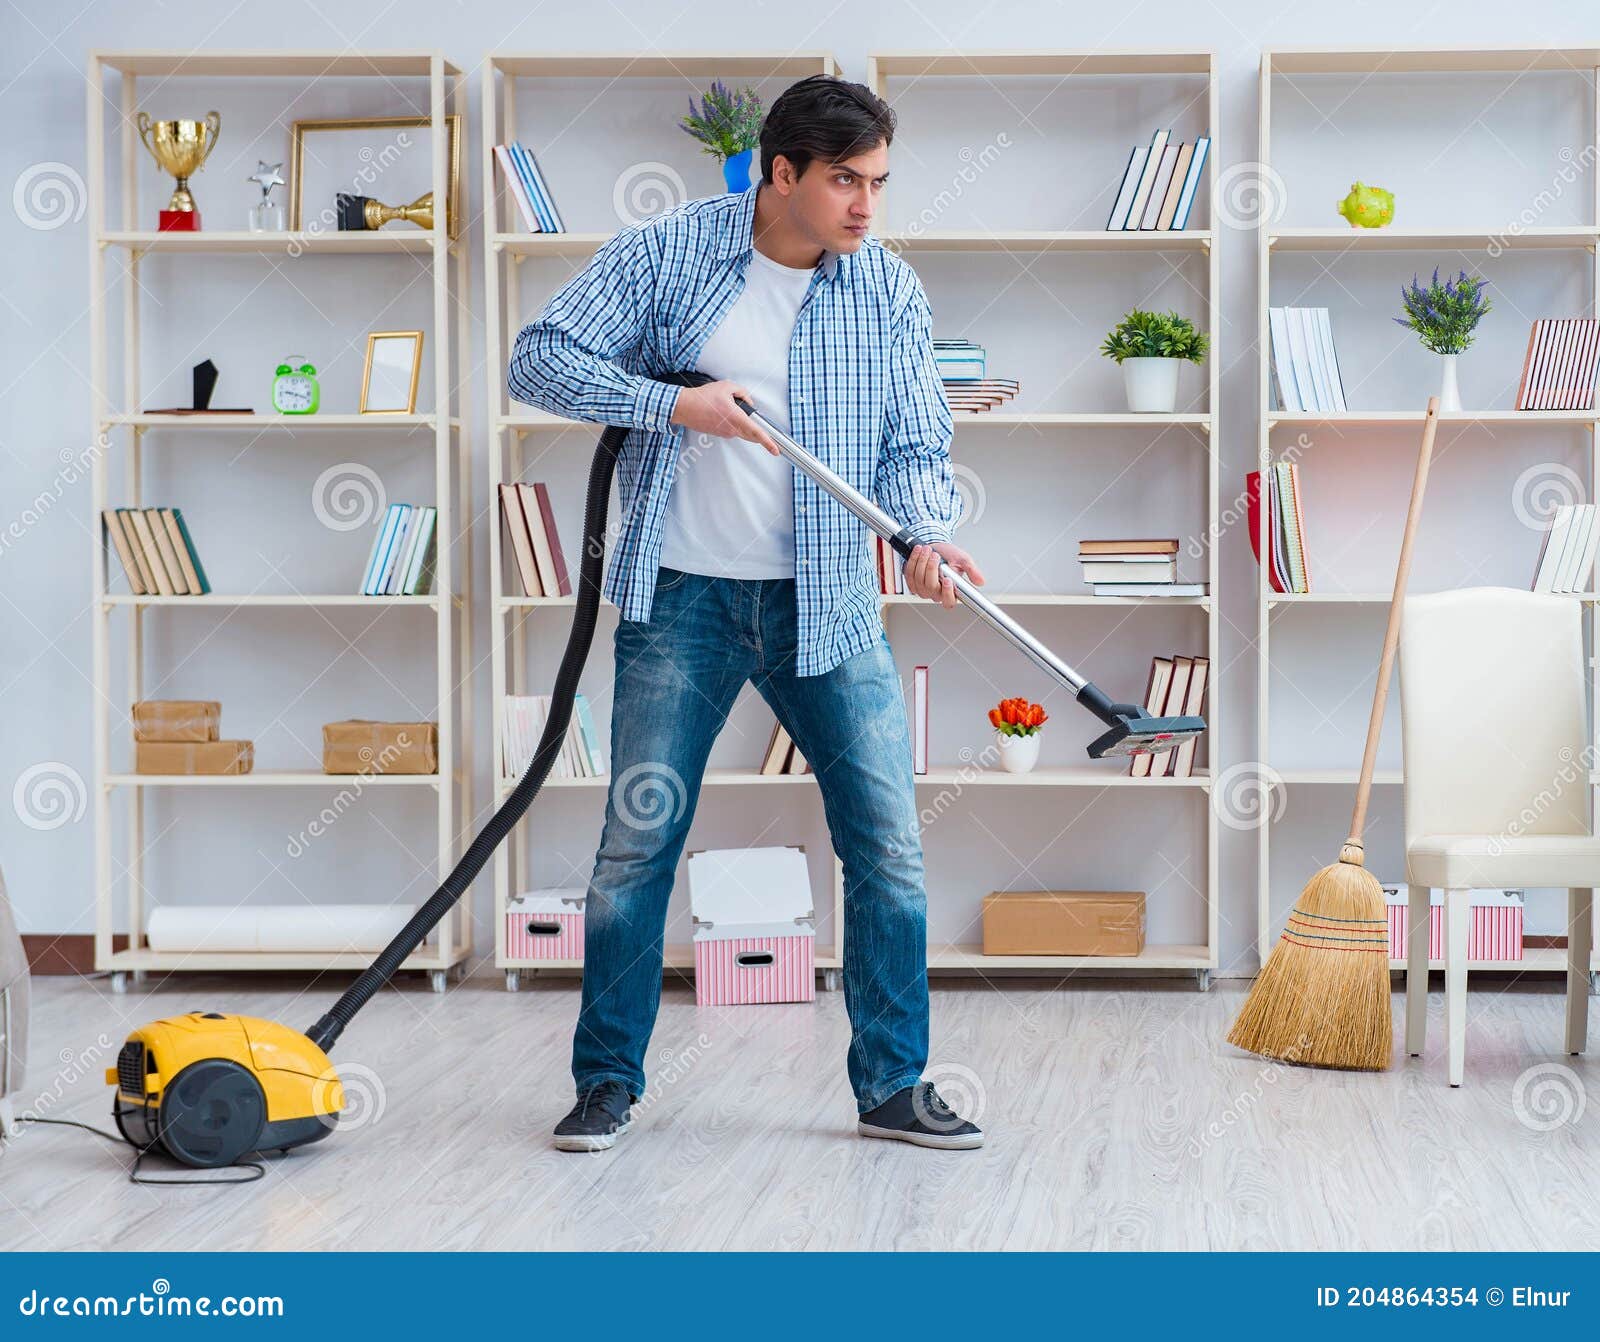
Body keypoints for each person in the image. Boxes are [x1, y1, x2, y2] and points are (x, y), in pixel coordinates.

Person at [507, 74, 986, 1152]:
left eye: (878, 182)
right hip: (679, 596)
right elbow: (536, 358)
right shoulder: (669, 253)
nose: (867, 206)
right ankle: (607, 1082)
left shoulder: (884, 287)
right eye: (845, 182)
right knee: (638, 845)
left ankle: (891, 1086)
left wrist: (922, 532)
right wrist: (674, 403)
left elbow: (914, 445)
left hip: (827, 600)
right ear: (780, 172)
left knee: (888, 847)